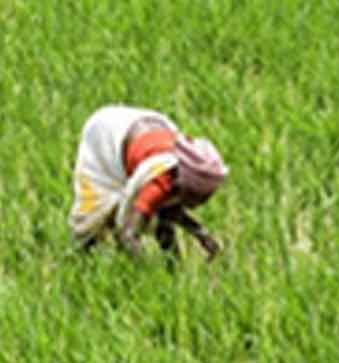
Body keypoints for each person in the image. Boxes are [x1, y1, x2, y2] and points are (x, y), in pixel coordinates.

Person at [68, 105, 228, 260]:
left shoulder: (179, 174)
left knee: (162, 215)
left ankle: (173, 270)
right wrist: (143, 270)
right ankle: (79, 258)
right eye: (196, 198)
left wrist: (201, 235)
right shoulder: (159, 182)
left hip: (141, 129)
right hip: (105, 135)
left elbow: (171, 208)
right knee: (94, 220)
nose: (196, 206)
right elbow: (128, 234)